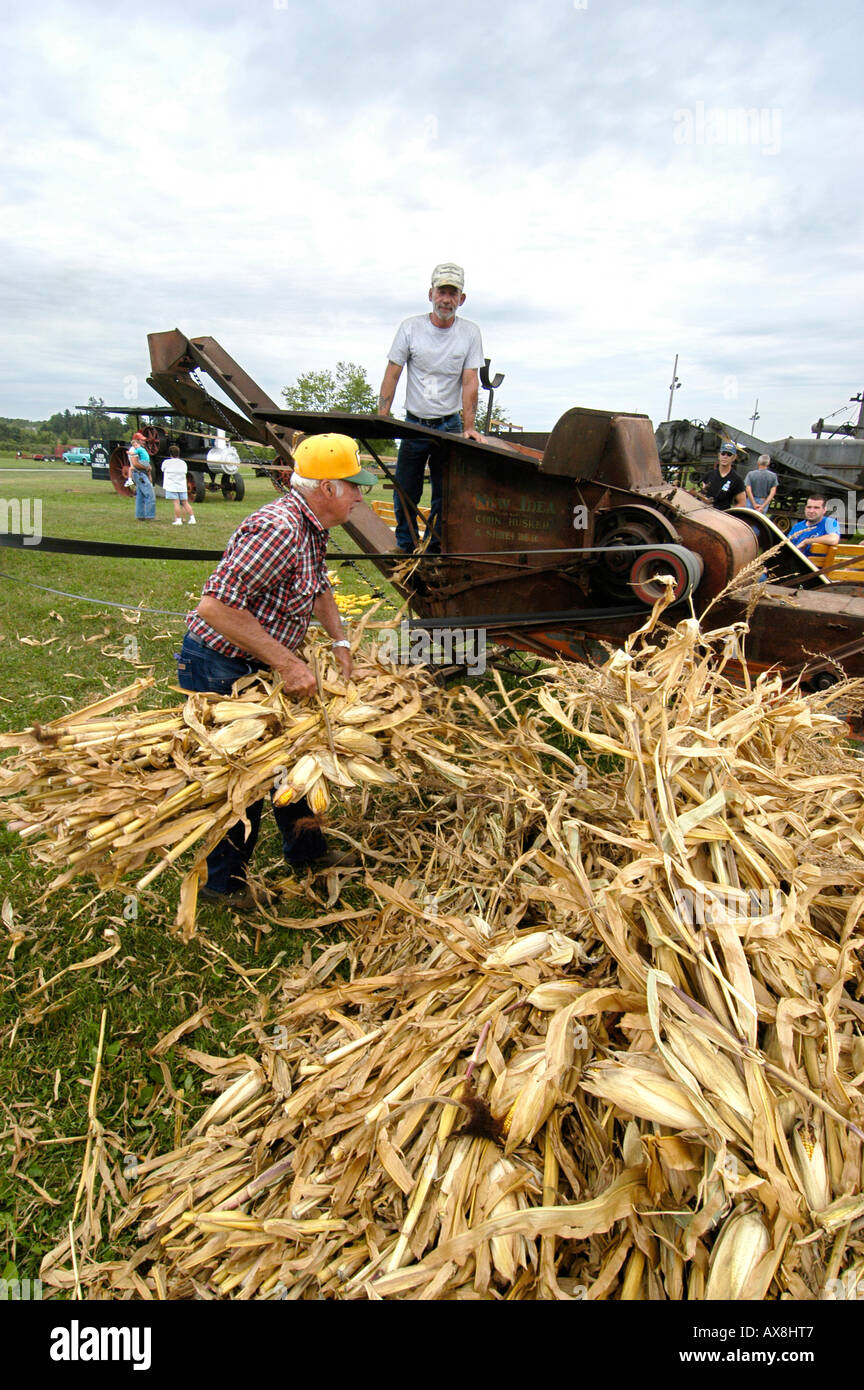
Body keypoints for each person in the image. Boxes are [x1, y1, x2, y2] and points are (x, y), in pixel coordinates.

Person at [176, 433, 376, 908]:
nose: (360, 496)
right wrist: (288, 662)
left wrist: (341, 641)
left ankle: (307, 853)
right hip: (222, 664)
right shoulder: (278, 529)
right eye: (353, 487)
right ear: (327, 488)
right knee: (239, 775)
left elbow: (319, 583)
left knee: (294, 758)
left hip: (260, 662)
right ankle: (221, 885)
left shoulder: (312, 527)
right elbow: (215, 607)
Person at [378, 262, 484, 554]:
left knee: (445, 494)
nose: (446, 299)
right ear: (431, 294)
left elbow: (470, 381)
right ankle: (405, 544)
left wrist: (469, 427)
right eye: (442, 291)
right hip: (414, 424)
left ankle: (435, 548)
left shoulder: (470, 333)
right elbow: (393, 371)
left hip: (448, 426)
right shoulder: (410, 328)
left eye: (453, 293)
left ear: (461, 299)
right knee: (406, 489)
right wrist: (382, 417)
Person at [699, 442, 746, 510]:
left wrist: (728, 514)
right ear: (719, 455)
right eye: (723, 453)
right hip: (705, 512)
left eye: (729, 454)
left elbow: (742, 503)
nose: (725, 456)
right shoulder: (709, 475)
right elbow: (701, 494)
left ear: (734, 457)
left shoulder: (737, 479)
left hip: (722, 516)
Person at [161, 444, 196, 527]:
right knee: (185, 503)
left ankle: (178, 520)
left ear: (170, 453)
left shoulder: (166, 462)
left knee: (176, 503)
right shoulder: (183, 463)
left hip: (171, 486)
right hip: (182, 486)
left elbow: (163, 469)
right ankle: (192, 518)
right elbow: (185, 472)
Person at [129, 431, 156, 521]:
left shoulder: (138, 450)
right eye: (142, 440)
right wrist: (146, 467)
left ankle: (140, 515)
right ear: (136, 441)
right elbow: (135, 463)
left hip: (139, 474)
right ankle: (150, 516)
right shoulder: (134, 450)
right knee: (150, 494)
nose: (144, 442)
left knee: (140, 495)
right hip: (139, 474)